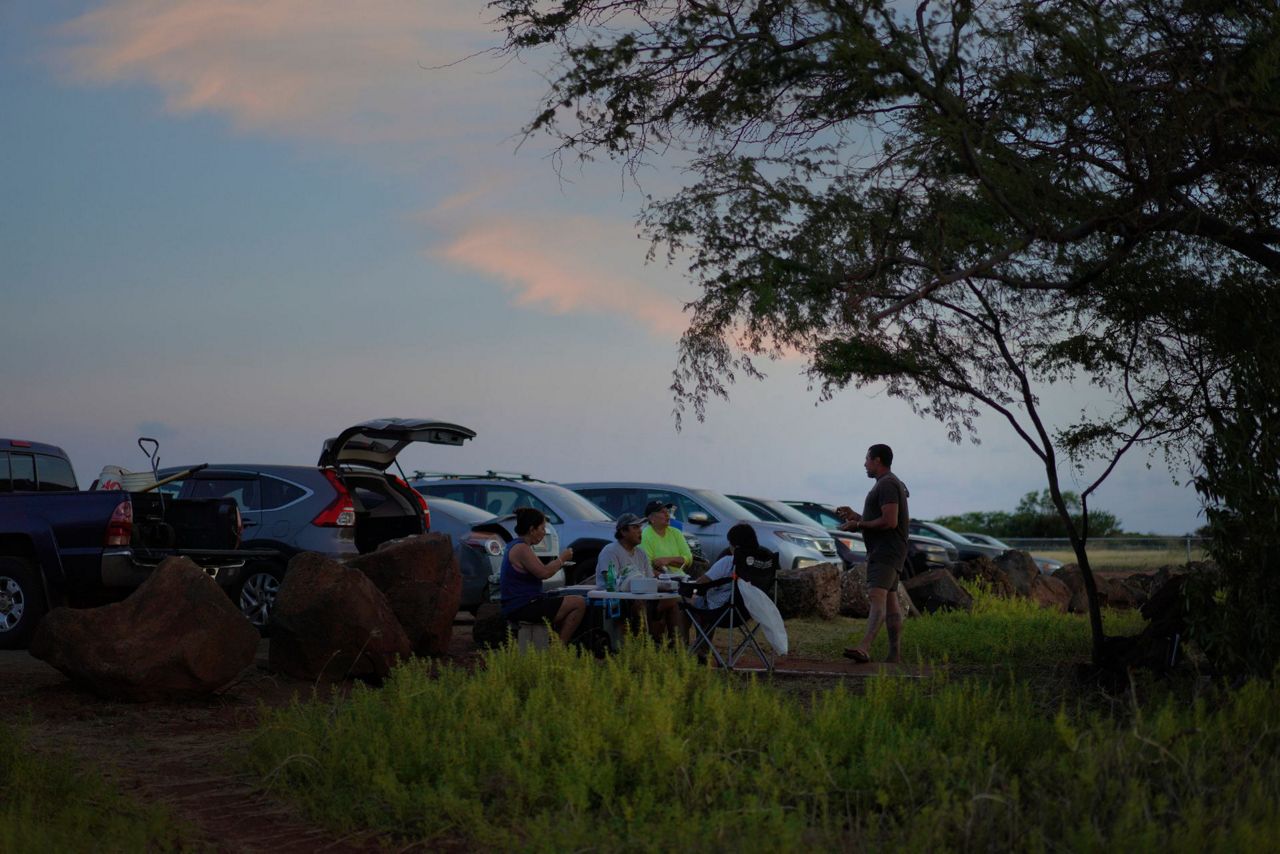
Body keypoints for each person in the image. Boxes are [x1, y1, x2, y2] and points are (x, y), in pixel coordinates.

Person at [836, 443, 910, 664]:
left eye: (867, 459)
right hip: (891, 550)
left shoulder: (887, 484)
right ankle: (894, 654)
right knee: (891, 600)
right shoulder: (887, 483)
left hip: (885, 551)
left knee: (877, 597)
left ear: (877, 460)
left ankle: (864, 647)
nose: (865, 464)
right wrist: (856, 517)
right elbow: (881, 518)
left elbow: (890, 521)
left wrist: (859, 525)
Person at [500, 507, 585, 644]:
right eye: (542, 528)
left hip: (522, 604)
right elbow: (544, 573)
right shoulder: (521, 548)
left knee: (562, 597)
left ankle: (553, 642)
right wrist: (562, 558)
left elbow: (542, 569)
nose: (544, 532)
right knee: (579, 603)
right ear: (532, 529)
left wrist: (559, 562)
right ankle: (559, 648)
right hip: (521, 607)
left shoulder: (517, 545)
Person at [597, 512, 681, 642]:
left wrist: (665, 585)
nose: (640, 531)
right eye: (635, 527)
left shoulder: (641, 553)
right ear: (623, 531)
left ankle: (676, 645)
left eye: (640, 527)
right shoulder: (610, 551)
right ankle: (644, 643)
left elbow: (650, 579)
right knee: (639, 603)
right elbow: (611, 583)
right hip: (615, 600)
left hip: (643, 598)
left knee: (674, 601)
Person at [639, 500, 693, 576]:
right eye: (662, 512)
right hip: (659, 580)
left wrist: (667, 560)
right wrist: (666, 577)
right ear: (651, 518)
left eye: (667, 511)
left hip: (681, 577)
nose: (667, 515)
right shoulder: (645, 535)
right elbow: (646, 567)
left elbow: (689, 559)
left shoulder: (676, 532)